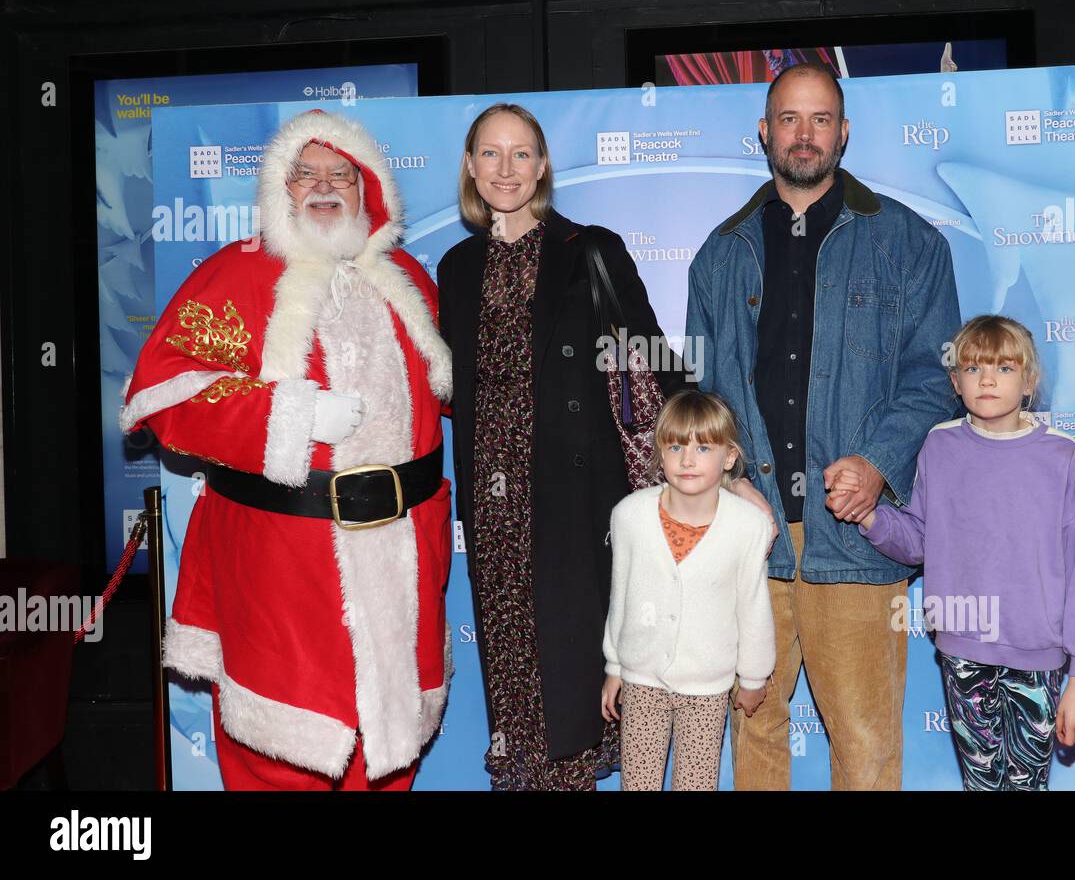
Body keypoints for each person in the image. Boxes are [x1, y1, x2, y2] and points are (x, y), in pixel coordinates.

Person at [119, 109, 454, 790]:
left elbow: (466, 393)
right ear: (281, 188)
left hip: (403, 560)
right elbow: (160, 392)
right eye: (306, 175)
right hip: (281, 567)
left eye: (343, 175)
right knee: (280, 757)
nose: (324, 187)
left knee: (388, 753)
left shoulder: (411, 284)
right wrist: (290, 413)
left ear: (371, 192)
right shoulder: (235, 276)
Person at [685, 62, 962, 790]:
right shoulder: (720, 253)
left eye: (819, 120)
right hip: (750, 532)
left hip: (859, 533)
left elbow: (937, 379)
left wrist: (875, 463)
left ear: (843, 132)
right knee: (754, 733)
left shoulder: (910, 243)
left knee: (867, 748)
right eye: (788, 119)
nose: (802, 136)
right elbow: (703, 399)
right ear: (763, 133)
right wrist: (732, 479)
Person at [437, 103, 685, 790]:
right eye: (491, 154)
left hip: (575, 501)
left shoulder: (588, 250)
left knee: (573, 678)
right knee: (515, 683)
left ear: (543, 166)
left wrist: (721, 460)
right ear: (470, 166)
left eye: (522, 154)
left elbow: (653, 361)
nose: (506, 169)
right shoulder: (456, 268)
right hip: (493, 505)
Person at [860, 314, 1075, 790]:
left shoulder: (1061, 455)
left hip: (1037, 654)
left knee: (1026, 784)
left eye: (1005, 368)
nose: (988, 379)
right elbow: (918, 540)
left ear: (1030, 381)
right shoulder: (938, 445)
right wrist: (871, 517)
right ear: (955, 381)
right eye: (973, 369)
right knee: (980, 784)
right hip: (962, 652)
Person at [601, 390, 775, 791]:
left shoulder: (749, 526)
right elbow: (621, 595)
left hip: (707, 688)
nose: (688, 459)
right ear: (660, 454)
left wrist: (753, 677)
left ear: (729, 458)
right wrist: (614, 667)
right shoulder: (629, 515)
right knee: (638, 785)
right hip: (642, 680)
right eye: (676, 446)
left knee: (696, 785)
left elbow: (753, 609)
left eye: (703, 447)